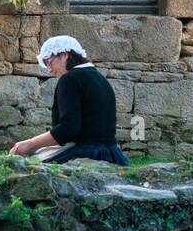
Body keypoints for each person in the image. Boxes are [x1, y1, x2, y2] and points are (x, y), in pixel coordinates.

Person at [10, 35, 129, 166]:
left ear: (65, 55)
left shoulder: (69, 79)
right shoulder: (98, 77)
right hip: (111, 154)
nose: (49, 69)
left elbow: (68, 130)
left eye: (49, 62)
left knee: (23, 166)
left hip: (86, 153)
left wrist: (30, 144)